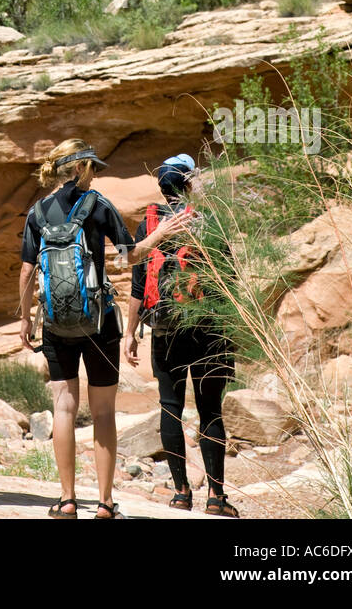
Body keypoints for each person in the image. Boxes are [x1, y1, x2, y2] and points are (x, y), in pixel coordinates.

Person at [19, 138, 188, 519]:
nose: (95, 175)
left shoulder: (38, 212)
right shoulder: (98, 206)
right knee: (103, 413)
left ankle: (66, 500)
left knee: (63, 409)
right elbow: (131, 255)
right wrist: (161, 234)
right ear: (79, 168)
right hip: (99, 325)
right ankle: (106, 503)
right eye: (92, 168)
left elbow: (28, 270)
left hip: (56, 325)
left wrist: (25, 318)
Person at [124, 153, 239, 518]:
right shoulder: (210, 223)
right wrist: (232, 330)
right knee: (210, 409)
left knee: (170, 407)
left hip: (165, 328)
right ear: (189, 184)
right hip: (207, 329)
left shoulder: (150, 225)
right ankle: (217, 497)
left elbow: (139, 285)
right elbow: (229, 284)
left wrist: (129, 332)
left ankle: (180, 493)